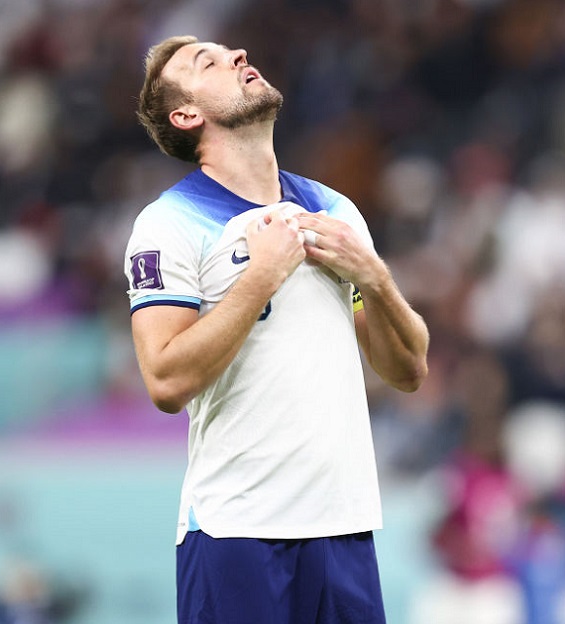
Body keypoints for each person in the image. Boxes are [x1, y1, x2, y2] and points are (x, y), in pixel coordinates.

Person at [123, 35, 429, 624]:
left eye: (231, 51)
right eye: (207, 63)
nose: (237, 55)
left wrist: (373, 275)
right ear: (187, 116)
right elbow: (164, 380)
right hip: (237, 530)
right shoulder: (167, 224)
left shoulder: (336, 212)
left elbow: (408, 370)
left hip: (344, 528)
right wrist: (260, 277)